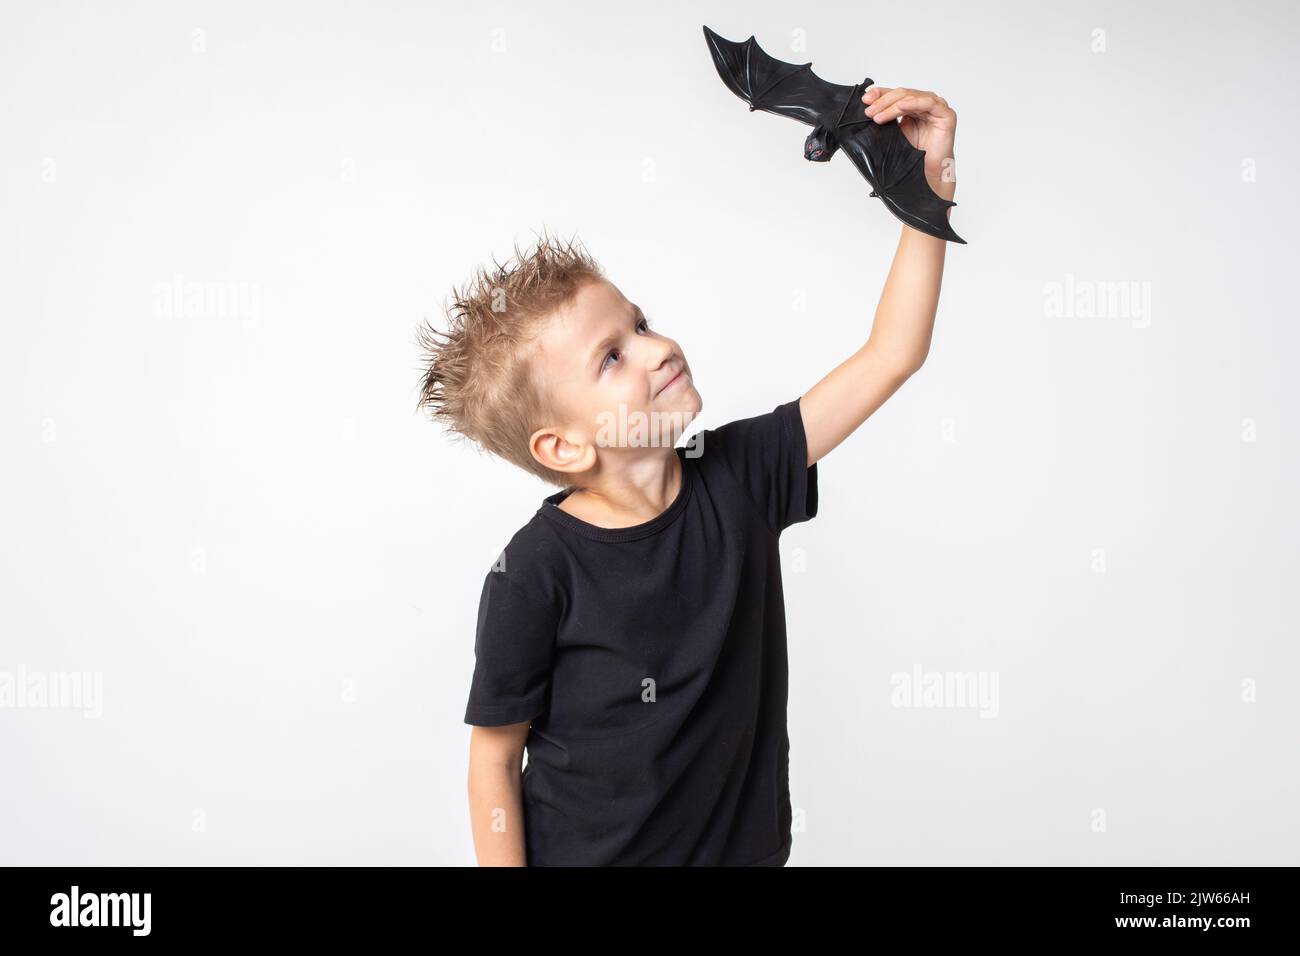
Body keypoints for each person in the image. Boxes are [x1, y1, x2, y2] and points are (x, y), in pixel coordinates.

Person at [416, 85, 958, 865]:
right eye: (613, 357)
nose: (657, 347)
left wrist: (926, 173)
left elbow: (894, 352)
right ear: (562, 448)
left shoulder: (738, 473)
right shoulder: (535, 573)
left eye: (639, 323)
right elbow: (493, 760)